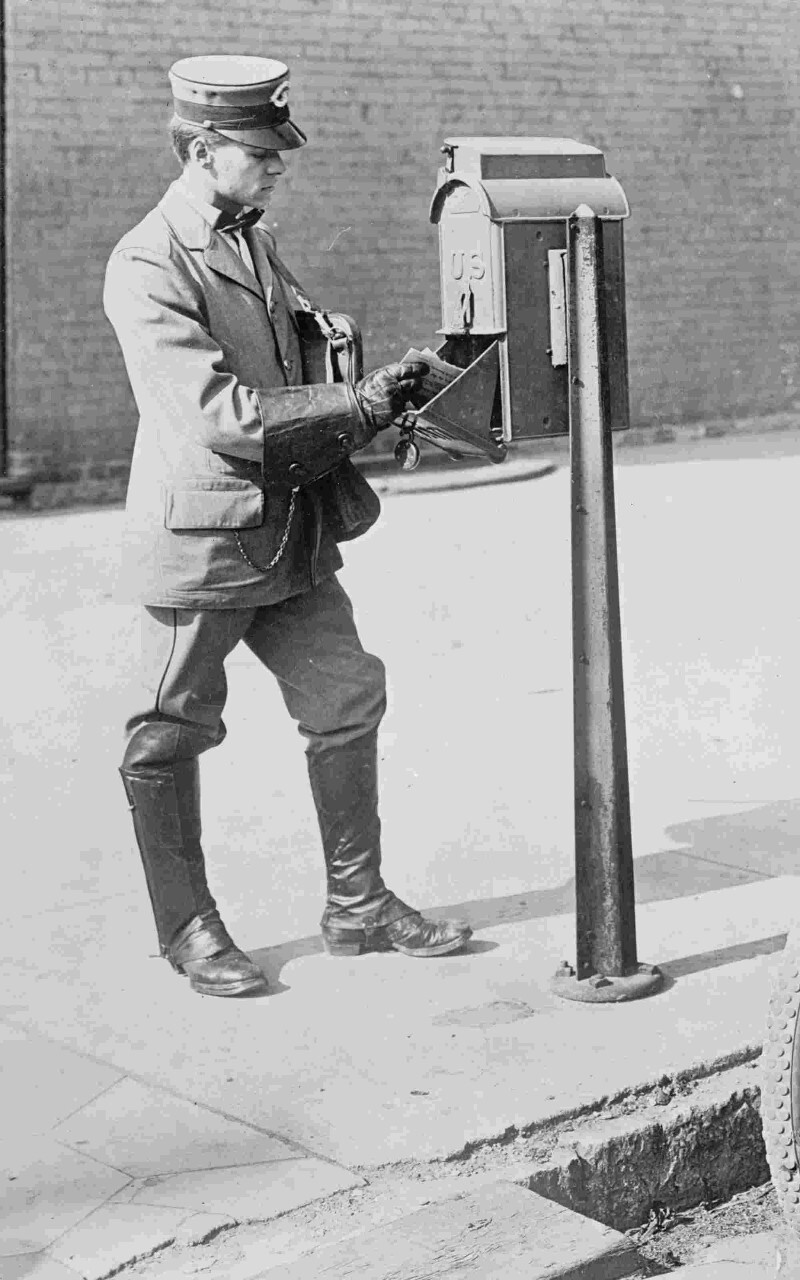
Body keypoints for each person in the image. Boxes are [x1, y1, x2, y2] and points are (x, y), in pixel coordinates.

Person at [103, 55, 470, 998]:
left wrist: (378, 382)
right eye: (259, 153)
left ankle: (357, 904)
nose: (277, 167)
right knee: (169, 730)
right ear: (199, 149)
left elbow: (294, 355)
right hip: (206, 540)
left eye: (277, 152)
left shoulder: (250, 239)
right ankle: (187, 927)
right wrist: (357, 404)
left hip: (288, 528)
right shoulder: (150, 260)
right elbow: (220, 415)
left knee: (346, 693)